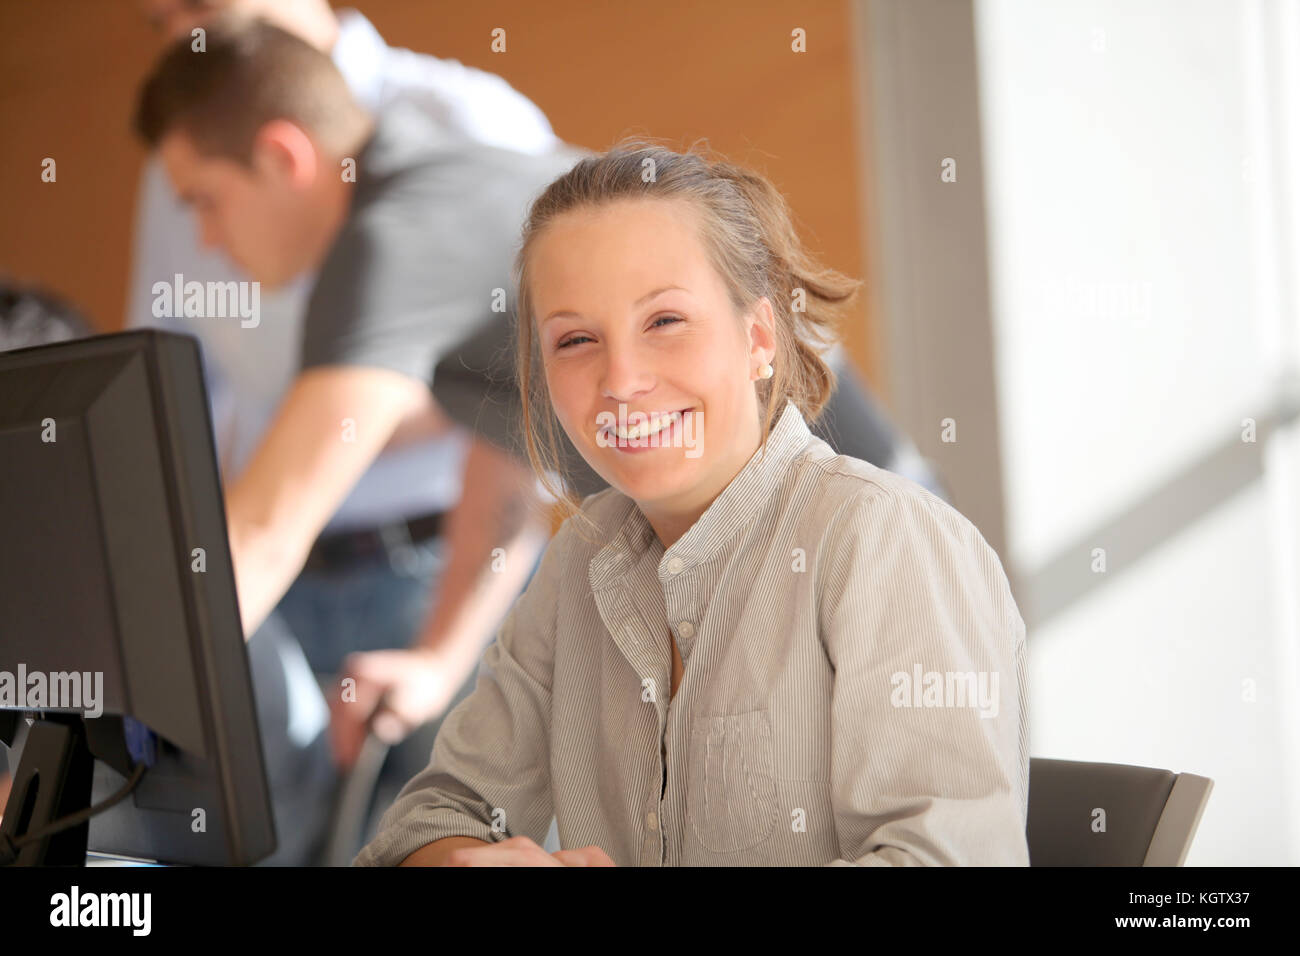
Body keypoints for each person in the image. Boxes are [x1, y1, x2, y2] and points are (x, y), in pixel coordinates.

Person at [354, 143, 1029, 867]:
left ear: (759, 337)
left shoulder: (887, 542)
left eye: (665, 321)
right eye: (576, 339)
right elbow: (428, 819)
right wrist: (466, 862)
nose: (620, 379)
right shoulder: (580, 562)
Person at [131, 18, 583, 863]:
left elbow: (262, 536)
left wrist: (75, 726)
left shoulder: (389, 240)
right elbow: (513, 449)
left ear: (284, 158)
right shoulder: (422, 178)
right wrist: (442, 660)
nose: (203, 241)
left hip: (812, 525)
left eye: (206, 201)